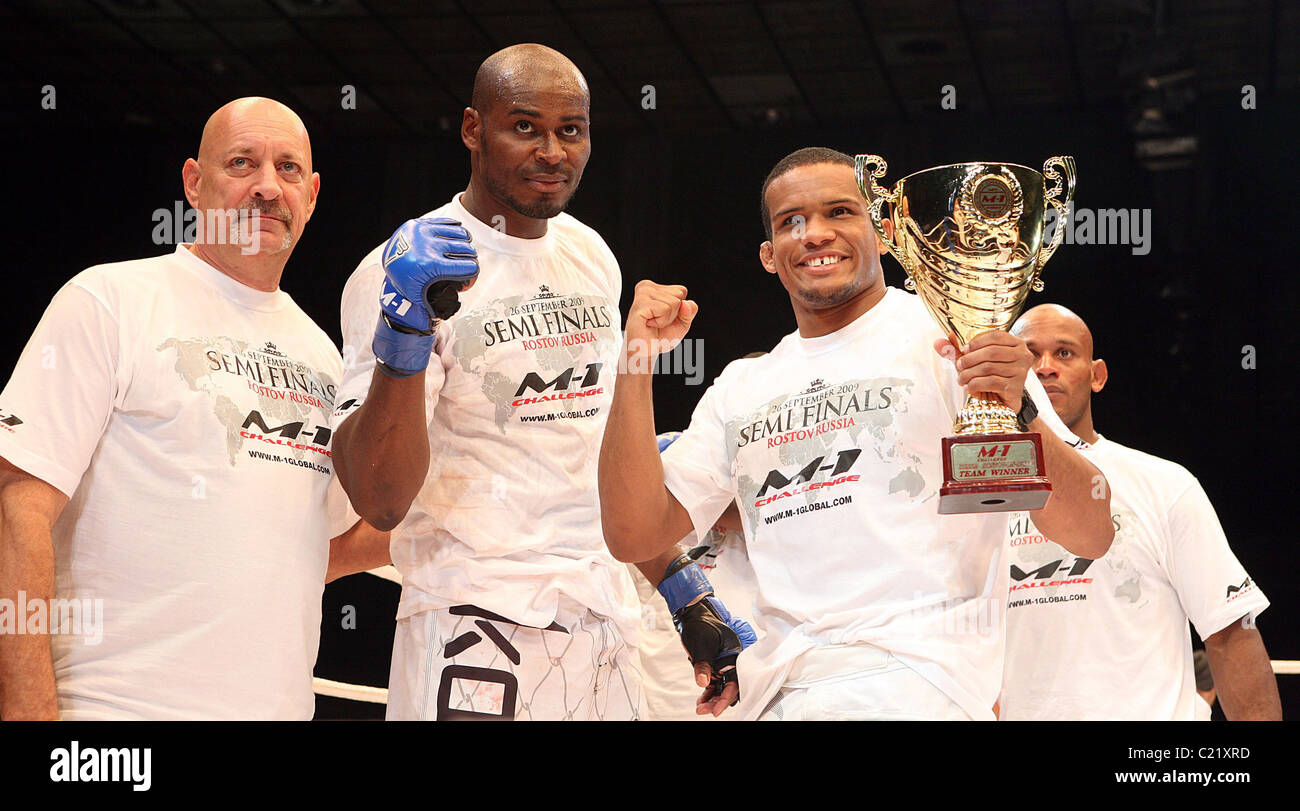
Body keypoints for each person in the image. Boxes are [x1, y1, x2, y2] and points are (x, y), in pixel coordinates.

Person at [598, 146, 1115, 721]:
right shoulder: (742, 386)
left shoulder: (952, 338)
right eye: (791, 222)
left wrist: (1017, 409)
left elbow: (1090, 532)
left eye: (840, 212)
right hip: (776, 696)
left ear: (887, 230)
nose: (814, 233)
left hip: (916, 688)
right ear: (770, 255)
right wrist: (636, 357)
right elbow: (634, 534)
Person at [330, 44, 748, 721]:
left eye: (570, 130)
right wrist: (404, 331)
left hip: (604, 622)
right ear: (473, 129)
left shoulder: (589, 254)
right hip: (473, 620)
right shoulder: (400, 265)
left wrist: (684, 589)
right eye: (524, 126)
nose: (552, 150)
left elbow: (591, 463)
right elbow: (379, 499)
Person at [0, 97, 348, 720]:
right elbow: (15, 506)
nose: (267, 187)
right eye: (242, 163)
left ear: (312, 194)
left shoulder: (323, 355)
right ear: (193, 182)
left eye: (288, 169)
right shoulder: (110, 300)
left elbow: (330, 540)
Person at [998, 304, 1280, 720]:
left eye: (1064, 353)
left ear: (1097, 376)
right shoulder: (983, 493)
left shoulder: (1164, 484)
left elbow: (1230, 632)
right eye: (1030, 354)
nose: (1045, 368)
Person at [631, 434, 761, 721]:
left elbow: (768, 506)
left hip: (747, 697)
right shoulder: (644, 542)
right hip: (666, 703)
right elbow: (625, 508)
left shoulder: (755, 521)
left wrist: (712, 508)